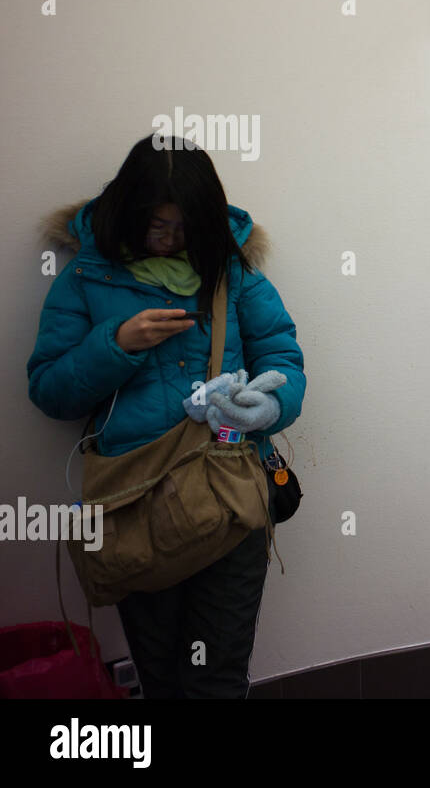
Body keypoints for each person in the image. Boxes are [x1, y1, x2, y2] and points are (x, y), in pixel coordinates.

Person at [28, 135, 306, 698]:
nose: (171, 241)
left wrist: (272, 405)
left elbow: (282, 356)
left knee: (218, 677)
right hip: (135, 505)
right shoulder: (87, 277)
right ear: (129, 213)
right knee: (160, 677)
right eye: (157, 226)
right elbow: (50, 392)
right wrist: (117, 343)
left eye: (184, 229)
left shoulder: (233, 270)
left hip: (228, 498)